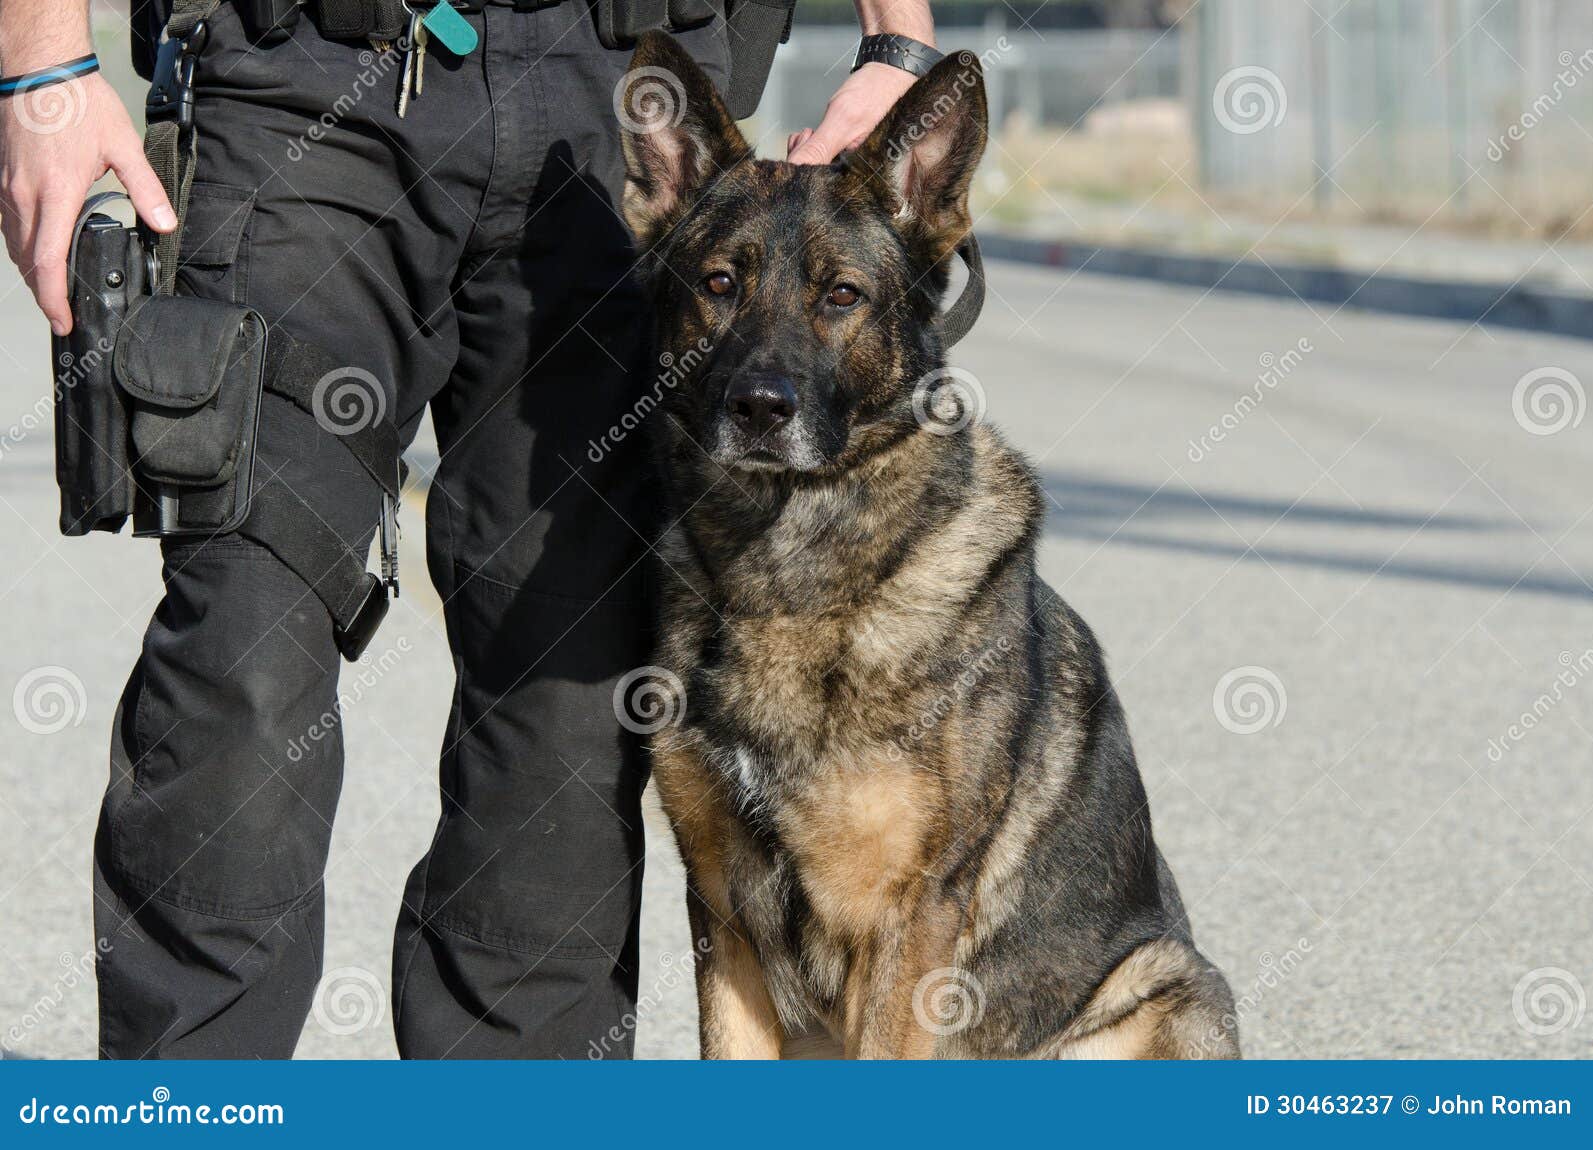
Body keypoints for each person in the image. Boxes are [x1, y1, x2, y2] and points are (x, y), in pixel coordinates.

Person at [0, 0, 939, 1058]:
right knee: (242, 641)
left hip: (618, 85)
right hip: (304, 80)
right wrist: (42, 68)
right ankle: (188, 1106)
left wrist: (896, 41)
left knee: (571, 700)